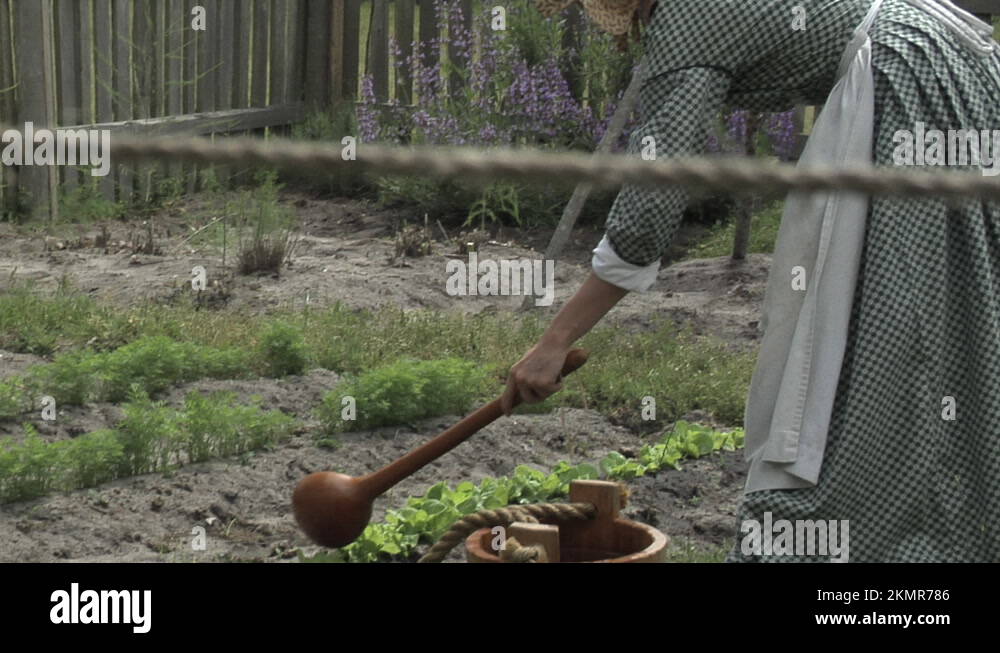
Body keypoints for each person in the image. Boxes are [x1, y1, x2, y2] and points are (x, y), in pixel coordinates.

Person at [508, 0, 1000, 561]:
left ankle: (873, 552)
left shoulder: (686, 21)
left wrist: (555, 341)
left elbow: (654, 195)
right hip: (958, 65)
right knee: (955, 311)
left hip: (907, 80)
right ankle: (955, 528)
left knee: (887, 324)